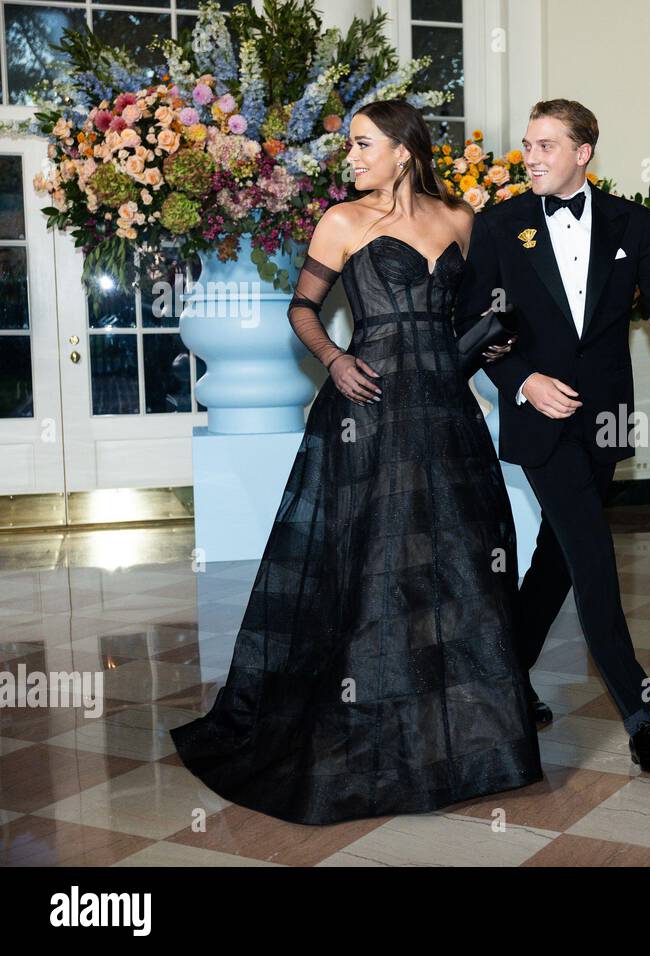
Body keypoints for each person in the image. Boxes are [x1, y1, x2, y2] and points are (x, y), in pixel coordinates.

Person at [169, 100, 543, 825]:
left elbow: (470, 315)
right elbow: (302, 308)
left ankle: (476, 741)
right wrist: (335, 358)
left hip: (444, 410)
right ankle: (371, 731)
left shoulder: (461, 219)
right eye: (351, 145)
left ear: (404, 150)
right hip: (367, 407)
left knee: (460, 561)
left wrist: (490, 342)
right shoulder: (340, 222)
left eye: (364, 144)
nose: (352, 156)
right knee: (371, 560)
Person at [457, 99, 650, 773]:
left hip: (604, 418)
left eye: (546, 145)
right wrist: (522, 381)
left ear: (583, 153)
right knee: (594, 555)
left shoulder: (631, 222)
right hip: (538, 416)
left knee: (557, 555)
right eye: (528, 145)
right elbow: (472, 326)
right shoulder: (498, 226)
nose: (531, 157)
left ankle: (504, 677)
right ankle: (639, 717)